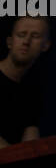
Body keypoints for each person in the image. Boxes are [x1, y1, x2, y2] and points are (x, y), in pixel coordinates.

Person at [0, 15, 50, 148]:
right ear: (10, 42)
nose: (26, 41)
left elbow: (31, 145)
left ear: (46, 45)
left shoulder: (32, 93)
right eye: (21, 34)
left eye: (35, 36)